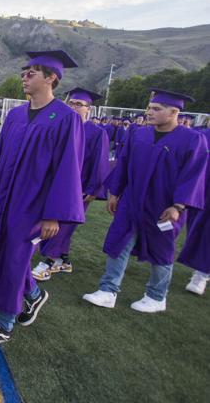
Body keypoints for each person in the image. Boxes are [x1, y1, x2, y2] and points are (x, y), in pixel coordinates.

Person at [0, 50, 85, 347]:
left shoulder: (66, 118)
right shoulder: (15, 115)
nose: (24, 76)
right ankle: (34, 294)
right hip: (6, 198)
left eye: (32, 72)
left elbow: (68, 168)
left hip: (34, 205)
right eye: (24, 72)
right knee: (2, 252)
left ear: (51, 78)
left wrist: (53, 214)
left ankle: (5, 324)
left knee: (15, 257)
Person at [83, 89, 206, 313]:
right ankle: (108, 290)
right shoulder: (138, 134)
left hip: (164, 206)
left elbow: (194, 175)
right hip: (132, 199)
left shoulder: (192, 140)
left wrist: (178, 206)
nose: (149, 112)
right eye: (149, 107)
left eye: (156, 109)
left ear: (174, 112)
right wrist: (114, 192)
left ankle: (156, 297)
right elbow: (123, 163)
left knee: (161, 251)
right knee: (118, 243)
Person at [32, 88, 111, 281]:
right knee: (52, 222)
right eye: (71, 103)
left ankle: (48, 261)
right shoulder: (60, 126)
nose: (74, 107)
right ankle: (63, 260)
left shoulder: (96, 133)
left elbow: (100, 164)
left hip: (80, 188)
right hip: (54, 184)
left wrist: (93, 190)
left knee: (62, 224)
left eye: (79, 104)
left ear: (88, 109)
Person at [178, 125, 210, 295]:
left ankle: (201, 273)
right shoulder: (201, 136)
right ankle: (202, 269)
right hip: (201, 189)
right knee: (197, 229)